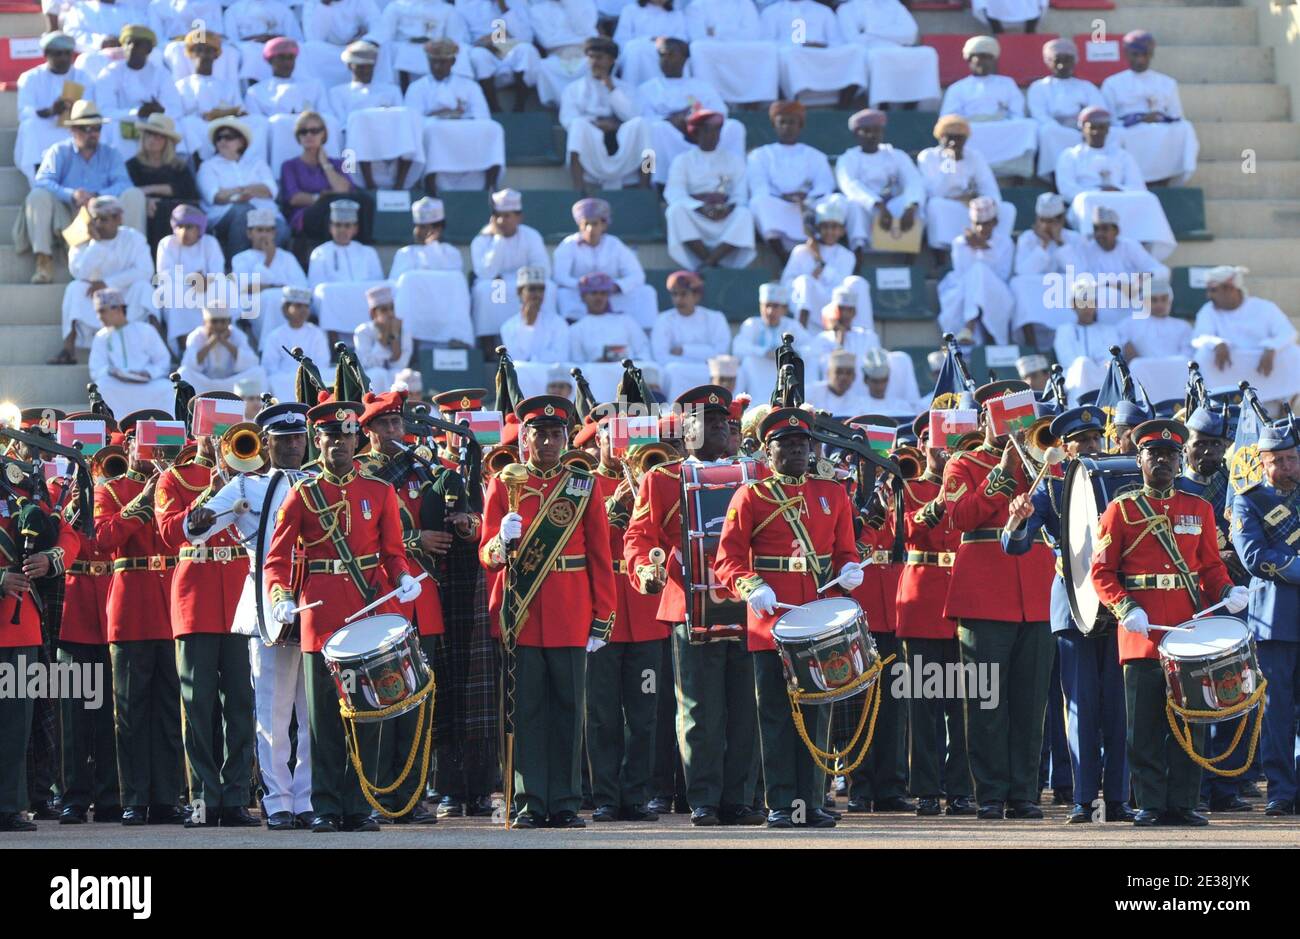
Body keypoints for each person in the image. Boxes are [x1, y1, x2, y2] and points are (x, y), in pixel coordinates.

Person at [265, 397, 421, 832]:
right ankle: (326, 806)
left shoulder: (380, 491)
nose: (339, 444)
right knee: (326, 721)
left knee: (368, 714)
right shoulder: (303, 493)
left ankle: (358, 805)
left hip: (368, 613)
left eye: (346, 436)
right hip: (320, 615)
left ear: (356, 439)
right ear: (319, 441)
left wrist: (404, 577)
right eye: (331, 436)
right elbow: (277, 557)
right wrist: (280, 595)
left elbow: (392, 553)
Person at [1090, 419, 1246, 826]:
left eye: (1170, 455)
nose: (1162, 460)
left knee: (1190, 721)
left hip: (1189, 631)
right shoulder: (1121, 509)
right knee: (1143, 726)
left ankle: (1184, 802)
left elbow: (1210, 567)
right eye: (1153, 454)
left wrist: (1227, 591)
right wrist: (1126, 609)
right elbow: (1102, 572)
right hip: (1142, 632)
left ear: (1179, 461)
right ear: (1139, 460)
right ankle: (1150, 803)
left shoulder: (1199, 508)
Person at [624, 384, 765, 827]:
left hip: (747, 603)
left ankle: (739, 797)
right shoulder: (662, 479)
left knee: (746, 706)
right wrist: (646, 570)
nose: (721, 427)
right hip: (690, 604)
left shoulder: (754, 474)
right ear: (686, 430)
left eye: (725, 421)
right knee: (698, 707)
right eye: (709, 421)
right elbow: (638, 537)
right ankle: (702, 796)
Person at [715, 406, 862, 828]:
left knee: (818, 713)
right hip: (772, 618)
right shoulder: (752, 495)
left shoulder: (832, 493)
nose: (797, 451)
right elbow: (728, 560)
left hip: (817, 617)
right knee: (777, 714)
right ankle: (782, 803)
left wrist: (849, 571)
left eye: (802, 444)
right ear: (768, 450)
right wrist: (751, 587)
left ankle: (811, 803)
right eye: (786, 445)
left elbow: (845, 551)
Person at [479, 394, 617, 827]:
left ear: (566, 437)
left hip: (571, 610)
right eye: (540, 433)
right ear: (526, 438)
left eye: (557, 433)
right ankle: (528, 800)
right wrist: (502, 540)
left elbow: (599, 554)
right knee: (526, 710)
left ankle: (565, 802)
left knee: (568, 711)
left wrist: (602, 616)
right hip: (522, 610)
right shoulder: (504, 485)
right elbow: (486, 555)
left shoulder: (583, 485)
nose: (550, 441)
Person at [1002, 406, 1133, 823]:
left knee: (1118, 707)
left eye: (1096, 439)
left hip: (1117, 604)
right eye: (1082, 441)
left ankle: (1118, 798)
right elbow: (1013, 545)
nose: (1092, 447)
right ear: (1064, 448)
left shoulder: (1121, 482)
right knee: (1080, 707)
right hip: (1073, 604)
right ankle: (1083, 800)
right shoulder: (1051, 490)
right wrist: (1016, 520)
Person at [941, 379, 1057, 820]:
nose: (1011, 426)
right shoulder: (963, 462)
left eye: (1019, 417)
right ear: (985, 419)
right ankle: (989, 792)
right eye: (1000, 417)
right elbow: (959, 516)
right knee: (986, 699)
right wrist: (1000, 475)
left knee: (1030, 702)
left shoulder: (1044, 460)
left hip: (1036, 586)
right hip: (984, 591)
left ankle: (1024, 793)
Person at [358, 390, 476, 823]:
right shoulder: (361, 475)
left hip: (424, 596)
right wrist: (415, 541)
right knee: (381, 702)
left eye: (397, 424)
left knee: (417, 704)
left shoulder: (425, 470)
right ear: (367, 431)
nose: (394, 432)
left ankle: (411, 795)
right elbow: (365, 536)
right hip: (379, 596)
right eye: (384, 425)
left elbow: (464, 514)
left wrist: (464, 524)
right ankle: (377, 795)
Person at [154, 395, 258, 828]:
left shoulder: (253, 477)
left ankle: (234, 796)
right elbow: (170, 533)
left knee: (239, 703)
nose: (218, 437)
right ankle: (201, 798)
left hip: (238, 596)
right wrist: (216, 490)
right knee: (196, 707)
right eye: (212, 428)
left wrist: (238, 476)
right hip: (195, 599)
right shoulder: (175, 478)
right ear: (197, 429)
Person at [96, 411, 186, 826]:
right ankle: (133, 796)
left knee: (170, 707)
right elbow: (105, 537)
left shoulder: (176, 484)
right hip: (131, 606)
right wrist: (141, 502)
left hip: (170, 604)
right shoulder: (112, 488)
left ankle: (166, 796)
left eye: (156, 446)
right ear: (127, 446)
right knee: (131, 710)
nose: (148, 453)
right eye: (140, 444)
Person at [583, 415, 669, 821]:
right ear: (598, 442)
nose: (622, 452)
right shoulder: (586, 484)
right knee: (601, 712)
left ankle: (636, 794)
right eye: (610, 440)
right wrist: (613, 504)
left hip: (646, 612)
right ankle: (605, 796)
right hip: (603, 611)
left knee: (643, 712)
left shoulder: (652, 484)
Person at [895, 413, 974, 816]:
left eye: (951, 445)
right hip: (923, 598)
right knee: (923, 703)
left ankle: (961, 788)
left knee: (963, 701)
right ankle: (925, 788)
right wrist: (940, 500)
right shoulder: (909, 486)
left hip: (962, 594)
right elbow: (904, 531)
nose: (944, 453)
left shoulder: (971, 481)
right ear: (923, 446)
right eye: (936, 445)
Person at [1230, 419, 1300, 817]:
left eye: (1293, 458)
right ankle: (1282, 789)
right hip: (1276, 620)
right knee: (1276, 709)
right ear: (1262, 463)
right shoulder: (1250, 501)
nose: (1288, 467)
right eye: (1280, 461)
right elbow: (1255, 558)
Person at [17, 99, 146, 285]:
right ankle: (43, 261)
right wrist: (72, 195)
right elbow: (43, 181)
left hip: (102, 216)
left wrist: (97, 196)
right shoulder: (58, 151)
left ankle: (133, 257)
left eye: (96, 128)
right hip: (67, 216)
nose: (92, 133)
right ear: (73, 130)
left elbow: (124, 184)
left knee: (134, 195)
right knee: (37, 196)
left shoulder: (112, 154)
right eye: (86, 128)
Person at [1056, 107, 1174, 260]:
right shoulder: (1070, 156)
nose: (1097, 132)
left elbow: (1137, 186)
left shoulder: (1122, 156)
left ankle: (1143, 255)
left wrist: (1117, 189)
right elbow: (1066, 189)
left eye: (1102, 128)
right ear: (1083, 129)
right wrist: (1098, 191)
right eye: (1092, 128)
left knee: (1149, 199)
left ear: (1108, 130)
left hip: (1121, 198)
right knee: (1085, 200)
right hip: (1088, 202)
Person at [53, 194, 156, 366]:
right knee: (74, 288)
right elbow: (78, 273)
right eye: (95, 219)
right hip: (95, 297)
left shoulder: (134, 238)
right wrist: (97, 245)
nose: (99, 224)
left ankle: (156, 343)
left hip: (126, 295)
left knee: (144, 288)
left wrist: (108, 283)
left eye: (104, 219)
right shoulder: (82, 242)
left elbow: (146, 271)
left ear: (119, 218)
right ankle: (68, 349)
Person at [637, 38, 744, 188]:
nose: (666, 60)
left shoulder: (701, 86)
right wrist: (670, 120)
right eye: (662, 55)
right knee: (656, 129)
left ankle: (734, 176)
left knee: (735, 126)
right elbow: (643, 118)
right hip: (667, 136)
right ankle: (660, 182)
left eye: (671, 55)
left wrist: (694, 119)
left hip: (700, 135)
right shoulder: (647, 88)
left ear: (684, 59)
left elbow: (720, 112)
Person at [1191, 266, 1300, 410]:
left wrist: (1272, 347)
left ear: (1230, 288)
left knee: (1293, 352)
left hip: (1263, 362)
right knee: (1203, 354)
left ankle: (1282, 405)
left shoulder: (1264, 307)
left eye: (1213, 290)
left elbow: (1288, 333)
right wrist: (1217, 343)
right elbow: (1199, 337)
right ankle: (1215, 404)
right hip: (1228, 365)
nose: (1208, 295)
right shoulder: (1208, 310)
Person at [405, 38, 504, 194]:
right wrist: (439, 114)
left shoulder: (470, 85)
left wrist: (458, 116)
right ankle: (431, 182)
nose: (437, 67)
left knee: (494, 128)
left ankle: (491, 185)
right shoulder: (417, 87)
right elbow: (412, 119)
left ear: (452, 62)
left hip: (465, 127)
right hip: (435, 127)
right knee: (433, 130)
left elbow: (482, 116)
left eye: (442, 62)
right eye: (434, 62)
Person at [1101, 30, 1199, 186]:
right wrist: (1139, 119)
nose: (1140, 60)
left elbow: (1177, 115)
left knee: (1184, 128)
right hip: (1127, 129)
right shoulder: (1112, 83)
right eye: (1135, 54)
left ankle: (1166, 178)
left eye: (1145, 54)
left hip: (1160, 128)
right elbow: (1109, 119)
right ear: (1126, 54)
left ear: (1152, 54)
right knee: (1114, 134)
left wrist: (1159, 117)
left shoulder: (1167, 82)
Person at [663, 109, 755, 272]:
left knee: (744, 214)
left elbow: (740, 194)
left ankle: (709, 263)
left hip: (724, 215)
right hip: (696, 214)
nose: (712, 135)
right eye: (707, 130)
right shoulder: (682, 160)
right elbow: (674, 193)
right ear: (696, 133)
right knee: (675, 211)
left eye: (716, 130)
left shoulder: (734, 160)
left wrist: (727, 208)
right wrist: (700, 207)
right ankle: (709, 261)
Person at [559, 37, 651, 192]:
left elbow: (633, 114)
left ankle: (645, 186)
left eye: (599, 57)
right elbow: (567, 119)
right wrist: (596, 124)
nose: (595, 62)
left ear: (611, 60)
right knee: (578, 125)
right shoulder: (573, 89)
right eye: (591, 57)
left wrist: (611, 88)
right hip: (590, 138)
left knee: (643, 125)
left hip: (621, 137)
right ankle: (578, 188)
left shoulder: (626, 88)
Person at [747, 100, 835, 259]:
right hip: (777, 204)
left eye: (792, 122)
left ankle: (823, 251)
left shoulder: (815, 155)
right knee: (758, 202)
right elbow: (759, 185)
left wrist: (807, 197)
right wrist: (783, 197)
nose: (787, 127)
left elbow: (825, 184)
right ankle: (782, 256)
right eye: (782, 122)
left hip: (807, 205)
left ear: (800, 125)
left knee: (836, 200)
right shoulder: (760, 155)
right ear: (774, 125)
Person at [939, 36, 1037, 178]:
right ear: (969, 59)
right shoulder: (958, 88)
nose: (984, 62)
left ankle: (1014, 173)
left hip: (1001, 126)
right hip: (973, 127)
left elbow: (1017, 113)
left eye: (988, 57)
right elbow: (948, 118)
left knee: (1029, 125)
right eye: (979, 57)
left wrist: (1003, 121)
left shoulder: (1007, 83)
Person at [552, 197, 656, 327]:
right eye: (586, 224)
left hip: (610, 294)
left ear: (603, 225)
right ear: (580, 225)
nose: (590, 229)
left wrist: (616, 286)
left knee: (646, 292)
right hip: (581, 295)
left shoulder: (615, 244)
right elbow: (560, 276)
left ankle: (644, 331)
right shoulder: (568, 245)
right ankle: (573, 325)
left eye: (594, 224)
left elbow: (637, 275)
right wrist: (583, 286)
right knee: (563, 294)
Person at [329, 41, 418, 191]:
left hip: (391, 137)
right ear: (350, 66)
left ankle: (400, 184)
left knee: (409, 119)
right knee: (359, 122)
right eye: (361, 67)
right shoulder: (337, 93)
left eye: (369, 67)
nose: (366, 71)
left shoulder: (391, 90)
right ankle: (367, 185)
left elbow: (401, 119)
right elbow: (342, 123)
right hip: (354, 140)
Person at [1060, 206, 1170, 325]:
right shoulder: (1087, 249)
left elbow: (1161, 270)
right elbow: (1078, 279)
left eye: (1105, 229)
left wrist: (1143, 278)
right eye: (1096, 229)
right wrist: (1114, 285)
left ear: (1116, 231)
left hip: (1132, 301)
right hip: (1101, 306)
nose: (1099, 234)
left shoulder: (1129, 246)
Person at [469, 189, 553, 344]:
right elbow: (485, 274)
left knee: (549, 287)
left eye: (507, 216)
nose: (501, 221)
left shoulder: (531, 236)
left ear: (519, 217)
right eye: (497, 216)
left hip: (524, 285)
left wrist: (514, 278)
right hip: (498, 286)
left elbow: (542, 269)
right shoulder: (482, 240)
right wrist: (498, 240)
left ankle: (541, 338)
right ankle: (491, 342)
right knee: (486, 289)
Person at [836, 108, 924, 255]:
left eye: (877, 130)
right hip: (868, 207)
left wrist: (911, 206)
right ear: (856, 134)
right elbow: (850, 185)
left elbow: (913, 180)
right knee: (853, 204)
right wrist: (878, 205)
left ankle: (910, 253)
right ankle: (859, 252)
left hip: (893, 207)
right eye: (866, 131)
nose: (872, 135)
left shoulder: (896, 155)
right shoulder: (848, 158)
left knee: (916, 203)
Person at [197, 116, 288, 258]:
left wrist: (236, 192)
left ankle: (267, 270)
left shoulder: (257, 163)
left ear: (241, 141)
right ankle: (237, 267)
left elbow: (271, 190)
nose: (222, 141)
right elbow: (216, 196)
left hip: (265, 214)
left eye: (228, 137)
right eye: (219, 138)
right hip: (224, 216)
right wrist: (245, 192)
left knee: (279, 227)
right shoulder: (208, 166)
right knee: (244, 211)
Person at [917, 114, 1011, 250]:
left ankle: (992, 246)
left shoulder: (975, 156)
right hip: (946, 204)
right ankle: (943, 251)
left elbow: (990, 189)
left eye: (959, 138)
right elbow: (935, 192)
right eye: (949, 137)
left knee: (1007, 209)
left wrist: (980, 201)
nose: (954, 142)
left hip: (971, 207)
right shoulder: (928, 156)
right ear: (940, 136)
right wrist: (951, 161)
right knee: (936, 205)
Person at [245, 37, 338, 175]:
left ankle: (333, 173)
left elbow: (326, 112)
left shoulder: (314, 85)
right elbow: (257, 124)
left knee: (331, 122)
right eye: (281, 58)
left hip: (313, 128)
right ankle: (278, 176)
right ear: (270, 61)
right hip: (276, 134)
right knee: (280, 122)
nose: (287, 62)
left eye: (290, 58)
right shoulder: (256, 91)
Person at [13, 31, 94, 183]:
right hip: (44, 125)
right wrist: (51, 111)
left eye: (67, 53)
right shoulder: (30, 77)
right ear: (46, 54)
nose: (63, 58)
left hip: (74, 126)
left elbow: (91, 108)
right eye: (58, 53)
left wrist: (75, 110)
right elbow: (25, 112)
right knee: (30, 126)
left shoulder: (83, 77)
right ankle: (39, 178)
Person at [280, 110, 369, 244]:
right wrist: (321, 198)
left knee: (364, 200)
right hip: (306, 215)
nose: (309, 135)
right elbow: (294, 198)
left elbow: (345, 190)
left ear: (323, 134)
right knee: (331, 206)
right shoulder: (289, 166)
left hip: (339, 210)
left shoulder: (337, 164)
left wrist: (325, 164)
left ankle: (363, 246)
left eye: (314, 130)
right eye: (303, 132)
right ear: (298, 136)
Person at [174, 30, 263, 163]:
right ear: (190, 54)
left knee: (259, 121)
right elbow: (181, 115)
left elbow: (241, 111)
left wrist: (222, 114)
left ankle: (248, 163)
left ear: (216, 55)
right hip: (199, 126)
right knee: (187, 123)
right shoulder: (181, 85)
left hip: (228, 125)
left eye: (209, 50)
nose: (204, 54)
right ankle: (200, 162)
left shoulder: (227, 86)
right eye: (199, 50)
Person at [97, 25, 185, 159]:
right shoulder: (110, 72)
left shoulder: (161, 74)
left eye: (138, 44)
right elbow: (105, 110)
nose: (132, 47)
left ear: (149, 49)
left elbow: (176, 108)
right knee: (111, 128)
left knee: (179, 125)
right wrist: (137, 113)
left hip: (156, 125)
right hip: (124, 124)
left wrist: (160, 111)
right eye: (128, 43)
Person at [938, 196, 1016, 346]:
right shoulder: (960, 243)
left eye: (985, 224)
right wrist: (974, 248)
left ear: (995, 223)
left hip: (996, 292)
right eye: (977, 224)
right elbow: (962, 274)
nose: (981, 229)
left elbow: (1002, 275)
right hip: (964, 290)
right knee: (977, 273)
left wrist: (985, 249)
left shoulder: (1005, 243)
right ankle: (969, 327)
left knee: (980, 271)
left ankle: (969, 327)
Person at [1010, 192, 1083, 350]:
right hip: (1037, 291)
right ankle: (1031, 344)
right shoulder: (1027, 238)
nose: (1045, 226)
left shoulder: (1074, 238)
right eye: (1042, 220)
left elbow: (1080, 272)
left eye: (1051, 221)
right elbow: (1022, 272)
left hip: (1064, 291)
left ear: (1061, 220)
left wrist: (1059, 243)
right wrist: (1043, 245)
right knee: (1019, 284)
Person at [1028, 39, 1107, 183]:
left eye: (1067, 60)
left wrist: (1083, 128)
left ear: (1075, 61)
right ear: (1048, 61)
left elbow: (1099, 110)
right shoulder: (1039, 87)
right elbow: (1039, 114)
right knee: (1047, 132)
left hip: (1084, 130)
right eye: (1057, 60)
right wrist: (1063, 128)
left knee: (1112, 133)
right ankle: (1055, 179)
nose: (1062, 65)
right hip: (1056, 129)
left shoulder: (1086, 86)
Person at [86, 286, 172, 418]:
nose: (99, 317)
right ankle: (114, 430)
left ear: (118, 309)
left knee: (167, 388)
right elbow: (96, 368)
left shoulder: (145, 330)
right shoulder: (101, 336)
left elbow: (163, 360)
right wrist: (112, 371)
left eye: (102, 311)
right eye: (97, 312)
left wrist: (148, 373)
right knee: (102, 387)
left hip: (147, 384)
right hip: (118, 385)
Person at [782, 194, 865, 327]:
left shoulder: (847, 256)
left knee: (858, 283)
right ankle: (800, 330)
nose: (829, 232)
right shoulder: (801, 251)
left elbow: (839, 285)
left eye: (834, 227)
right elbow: (786, 283)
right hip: (803, 304)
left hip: (835, 306)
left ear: (842, 231)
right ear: (819, 229)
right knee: (805, 281)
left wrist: (819, 260)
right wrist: (809, 281)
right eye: (825, 227)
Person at [836, 0, 938, 108]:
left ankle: (912, 104)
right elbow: (852, 38)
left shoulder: (895, 5)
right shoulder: (847, 8)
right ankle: (882, 105)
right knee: (879, 56)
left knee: (928, 53)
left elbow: (910, 34)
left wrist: (871, 32)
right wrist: (891, 33)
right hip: (867, 51)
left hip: (897, 47)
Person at [760, 0, 863, 104]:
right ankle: (793, 100)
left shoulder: (824, 10)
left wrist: (820, 45)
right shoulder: (770, 12)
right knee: (791, 53)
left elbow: (836, 41)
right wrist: (799, 46)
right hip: (790, 54)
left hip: (823, 53)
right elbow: (767, 44)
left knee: (856, 50)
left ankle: (845, 99)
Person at [651, 270, 731, 400]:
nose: (678, 299)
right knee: (673, 370)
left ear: (697, 295)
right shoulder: (663, 320)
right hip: (677, 369)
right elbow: (661, 357)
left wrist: (684, 350)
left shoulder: (715, 318)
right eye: (674, 294)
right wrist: (703, 356)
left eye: (683, 294)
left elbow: (720, 352)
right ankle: (675, 415)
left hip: (709, 369)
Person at [231, 207, 309, 339]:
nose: (264, 235)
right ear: (250, 233)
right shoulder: (240, 258)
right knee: (271, 297)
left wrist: (268, 287)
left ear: (274, 233)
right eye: (259, 230)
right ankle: (268, 345)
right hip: (253, 306)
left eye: (268, 230)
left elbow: (302, 287)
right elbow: (246, 288)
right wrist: (269, 259)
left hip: (290, 306)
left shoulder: (287, 257)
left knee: (276, 298)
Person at [155, 203, 224, 352]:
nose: (184, 232)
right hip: (178, 289)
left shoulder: (210, 243)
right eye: (180, 227)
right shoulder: (166, 244)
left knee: (222, 290)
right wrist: (190, 279)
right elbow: (164, 275)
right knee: (174, 295)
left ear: (199, 229)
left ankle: (215, 344)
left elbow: (218, 273)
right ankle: (185, 350)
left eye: (190, 227)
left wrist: (206, 281)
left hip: (207, 289)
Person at [126, 114, 200, 250]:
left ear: (167, 141)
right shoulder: (132, 165)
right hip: (147, 213)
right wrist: (146, 199)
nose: (153, 139)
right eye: (149, 134)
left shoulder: (179, 166)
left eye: (158, 136)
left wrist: (149, 190)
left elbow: (188, 191)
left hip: (176, 216)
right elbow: (129, 192)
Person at [684, 0, 778, 106]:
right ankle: (710, 99)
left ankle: (756, 101)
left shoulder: (745, 3)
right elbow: (697, 36)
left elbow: (753, 33)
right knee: (698, 48)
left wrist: (717, 30)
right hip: (712, 48)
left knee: (768, 48)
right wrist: (735, 32)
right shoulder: (697, 5)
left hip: (740, 46)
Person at [731, 282, 813, 394]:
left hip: (787, 369)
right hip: (760, 371)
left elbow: (811, 347)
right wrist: (764, 352)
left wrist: (790, 354)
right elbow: (738, 348)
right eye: (767, 305)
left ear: (784, 309)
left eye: (775, 306)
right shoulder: (752, 324)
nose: (770, 311)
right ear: (760, 306)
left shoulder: (792, 326)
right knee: (748, 362)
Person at [458, 0, 540, 112]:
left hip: (509, 46)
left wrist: (503, 7)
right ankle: (494, 109)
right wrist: (482, 44)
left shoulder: (518, 2)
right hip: (482, 48)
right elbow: (462, 40)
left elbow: (526, 37)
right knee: (479, 56)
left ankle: (520, 108)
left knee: (527, 50)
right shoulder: (465, 3)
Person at [373, 0, 472, 89]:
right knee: (386, 49)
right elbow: (384, 34)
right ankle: (398, 87)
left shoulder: (448, 10)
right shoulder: (396, 6)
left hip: (437, 52)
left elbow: (456, 38)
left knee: (460, 52)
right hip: (403, 48)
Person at [1054, 278, 1122, 403]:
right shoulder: (1064, 331)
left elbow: (1110, 358)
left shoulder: (1108, 330)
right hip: (1074, 377)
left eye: (1091, 302)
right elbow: (1067, 359)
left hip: (1103, 374)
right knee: (1082, 364)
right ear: (1073, 304)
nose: (1087, 307)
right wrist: (1087, 365)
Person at [261, 285, 332, 402]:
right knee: (272, 380)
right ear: (286, 309)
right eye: (298, 306)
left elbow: (323, 363)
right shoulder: (275, 336)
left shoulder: (317, 333)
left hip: (312, 379)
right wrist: (294, 378)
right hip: (284, 381)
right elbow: (270, 367)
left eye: (306, 306)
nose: (304, 310)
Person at [179, 304, 268, 395]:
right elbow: (189, 363)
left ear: (229, 322)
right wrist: (211, 342)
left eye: (223, 321)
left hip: (231, 383)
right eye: (214, 322)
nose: (219, 326)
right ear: (205, 322)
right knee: (183, 373)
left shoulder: (237, 335)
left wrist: (225, 342)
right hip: (204, 382)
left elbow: (251, 362)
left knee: (259, 372)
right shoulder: (196, 335)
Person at [527, 0, 600, 107]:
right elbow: (547, 41)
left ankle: (591, 105)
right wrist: (575, 38)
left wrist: (570, 4)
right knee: (544, 67)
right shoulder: (537, 10)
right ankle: (560, 106)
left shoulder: (586, 4)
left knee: (595, 63)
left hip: (585, 53)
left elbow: (589, 32)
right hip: (557, 55)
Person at [568, 272, 651, 363]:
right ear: (583, 297)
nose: (599, 298)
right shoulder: (576, 329)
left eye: (603, 293)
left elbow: (643, 351)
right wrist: (598, 363)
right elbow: (577, 362)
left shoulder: (626, 321)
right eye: (594, 293)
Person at [301, 0, 380, 89]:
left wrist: (361, 41)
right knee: (308, 48)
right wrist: (325, 6)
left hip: (358, 47)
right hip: (329, 52)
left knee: (380, 46)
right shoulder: (312, 3)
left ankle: (378, 88)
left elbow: (376, 26)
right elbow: (314, 38)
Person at [306, 199, 383, 289]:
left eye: (347, 226)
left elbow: (378, 284)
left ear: (355, 229)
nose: (342, 230)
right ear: (330, 227)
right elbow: (316, 287)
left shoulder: (368, 253)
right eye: (338, 225)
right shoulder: (320, 253)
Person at [224, 0, 303, 84]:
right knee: (252, 51)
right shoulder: (233, 10)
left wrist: (272, 39)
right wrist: (254, 39)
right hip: (247, 48)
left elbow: (295, 39)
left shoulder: (283, 9)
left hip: (279, 48)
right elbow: (231, 41)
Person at [808, 286, 881, 378]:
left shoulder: (868, 336)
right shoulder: (822, 339)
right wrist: (840, 338)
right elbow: (827, 371)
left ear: (854, 312)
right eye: (841, 309)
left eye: (849, 310)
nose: (846, 314)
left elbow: (874, 368)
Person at [353, 285, 414, 393]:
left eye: (392, 308)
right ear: (373, 313)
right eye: (384, 310)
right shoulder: (363, 331)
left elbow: (400, 365)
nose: (390, 314)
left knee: (402, 377)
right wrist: (382, 339)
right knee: (378, 374)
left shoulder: (403, 331)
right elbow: (368, 364)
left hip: (393, 375)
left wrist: (394, 335)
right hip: (372, 377)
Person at [613, 0, 686, 88]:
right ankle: (632, 88)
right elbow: (621, 38)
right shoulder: (630, 10)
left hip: (667, 49)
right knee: (634, 48)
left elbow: (681, 39)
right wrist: (649, 40)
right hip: (637, 50)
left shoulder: (676, 13)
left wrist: (663, 42)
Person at [388, 196, 462, 277]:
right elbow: (396, 284)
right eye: (416, 226)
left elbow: (451, 283)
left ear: (438, 230)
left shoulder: (451, 252)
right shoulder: (405, 253)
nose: (417, 232)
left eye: (422, 227)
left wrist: (430, 246)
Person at [804, 348, 870, 415]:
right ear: (828, 373)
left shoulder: (858, 404)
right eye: (838, 372)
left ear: (854, 377)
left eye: (848, 373)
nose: (843, 377)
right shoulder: (809, 393)